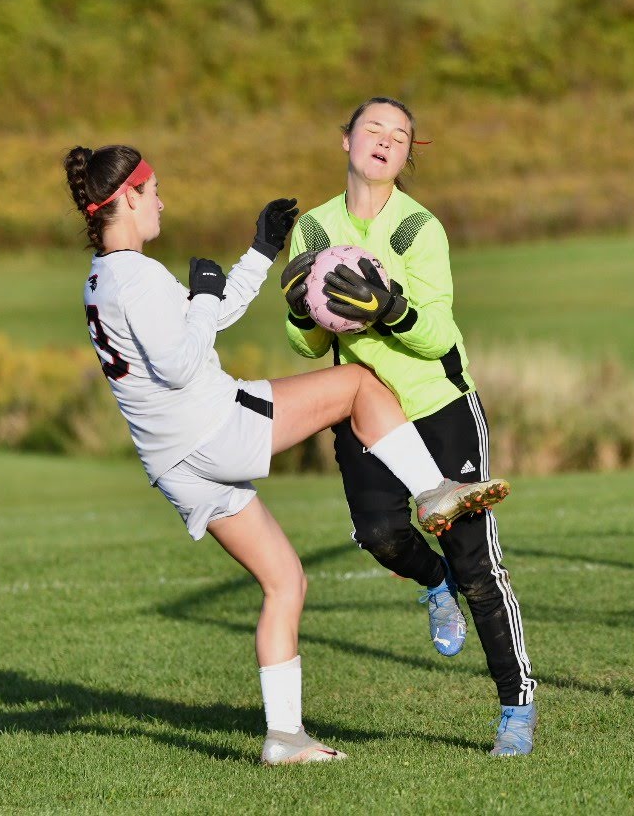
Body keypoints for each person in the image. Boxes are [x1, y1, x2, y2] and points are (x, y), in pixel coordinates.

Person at [64, 144, 508, 766]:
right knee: (359, 386)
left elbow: (206, 322)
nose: (161, 201)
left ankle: (284, 737)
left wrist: (259, 252)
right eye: (154, 190)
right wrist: (204, 296)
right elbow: (181, 362)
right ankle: (433, 491)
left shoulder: (103, 276)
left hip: (174, 465)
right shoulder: (136, 276)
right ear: (129, 198)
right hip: (211, 428)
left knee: (285, 581)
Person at [280, 97, 538, 756]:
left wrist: (390, 308)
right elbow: (307, 345)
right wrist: (302, 313)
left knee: (476, 562)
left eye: (400, 135)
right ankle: (432, 584)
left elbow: (439, 334)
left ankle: (516, 706)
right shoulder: (313, 229)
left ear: (407, 155)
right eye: (373, 128)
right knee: (379, 535)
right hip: (362, 408)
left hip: (438, 405)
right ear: (345, 141)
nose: (385, 140)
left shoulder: (418, 228)